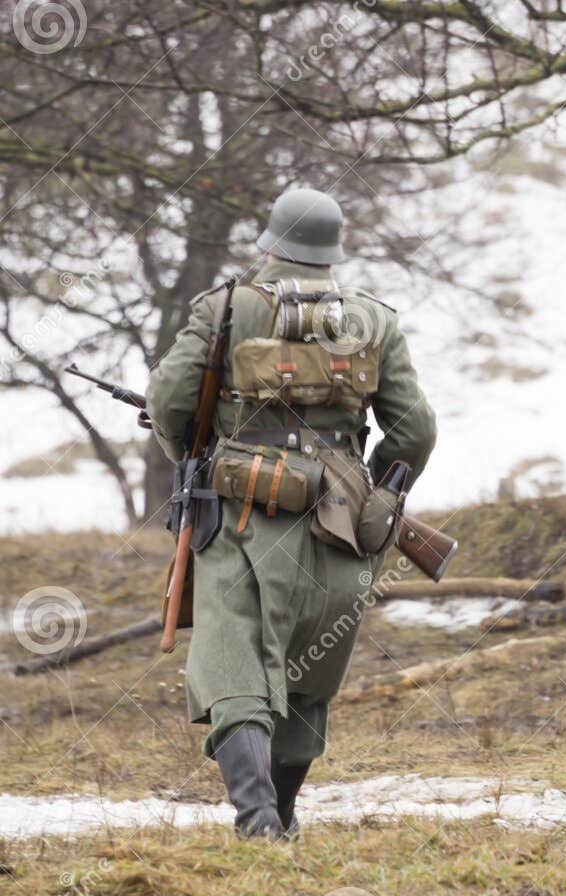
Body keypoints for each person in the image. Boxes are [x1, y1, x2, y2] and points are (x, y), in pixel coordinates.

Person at [147, 188, 438, 838]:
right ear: (333, 250)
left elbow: (169, 401)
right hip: (340, 516)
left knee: (232, 663)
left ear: (269, 243)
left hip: (240, 513)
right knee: (309, 671)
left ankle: (258, 824)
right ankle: (282, 814)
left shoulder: (227, 306)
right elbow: (414, 431)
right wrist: (383, 491)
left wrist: (195, 456)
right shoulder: (373, 321)